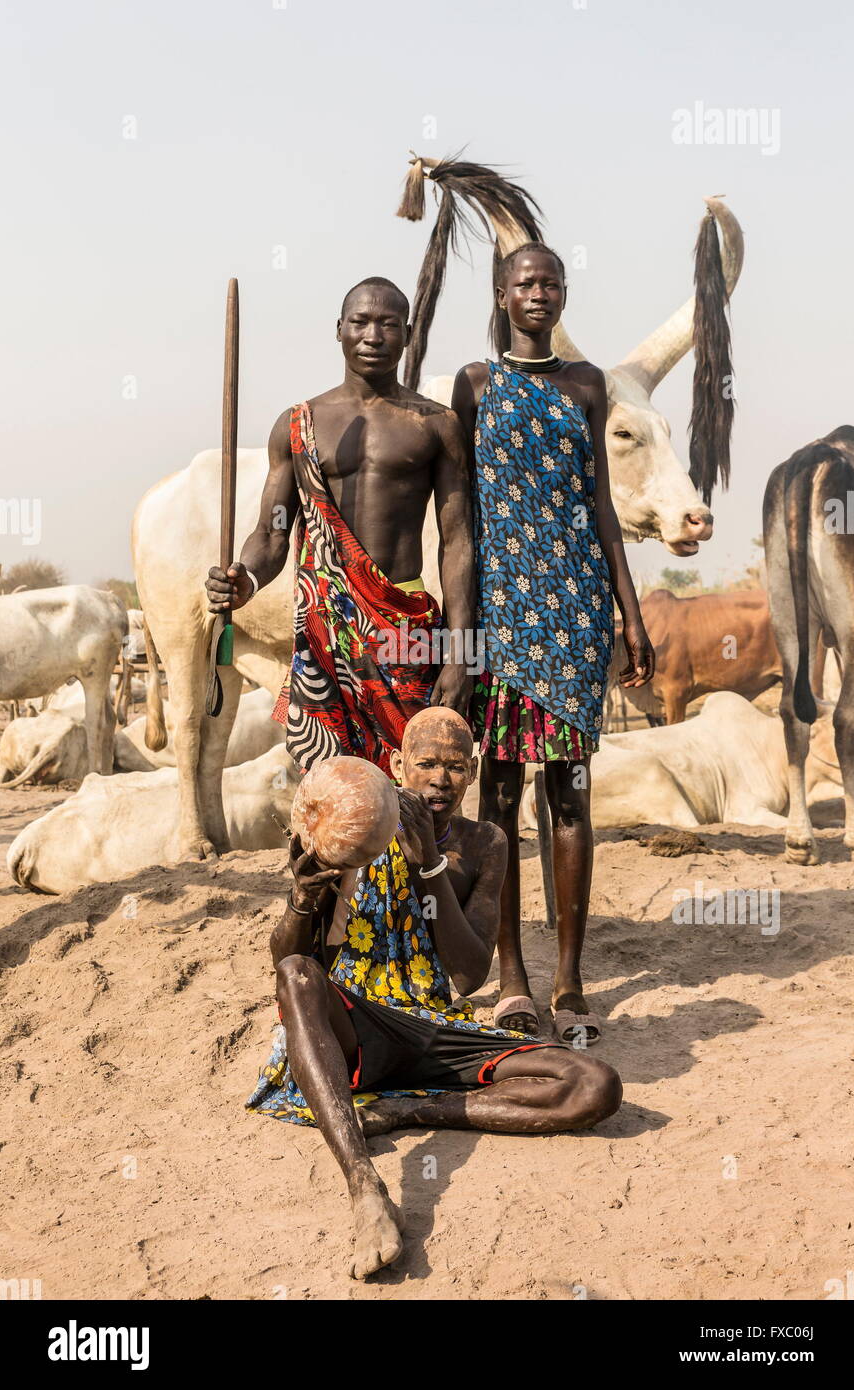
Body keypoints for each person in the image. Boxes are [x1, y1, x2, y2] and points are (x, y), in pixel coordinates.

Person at [247, 707, 622, 1280]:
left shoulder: (485, 843)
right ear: (396, 765)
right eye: (425, 764)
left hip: (438, 1027)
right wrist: (303, 897)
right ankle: (365, 1186)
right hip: (364, 1025)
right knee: (299, 973)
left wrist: (430, 870)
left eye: (454, 767)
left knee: (595, 1084)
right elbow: (291, 963)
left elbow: (468, 975)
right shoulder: (353, 825)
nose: (438, 780)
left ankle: (410, 1109)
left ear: (473, 773)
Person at [451, 243, 655, 1043]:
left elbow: (600, 505)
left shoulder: (587, 385)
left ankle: (569, 976)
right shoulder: (474, 385)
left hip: (573, 613)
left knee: (568, 790)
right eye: (525, 282)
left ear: (562, 296)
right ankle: (511, 976)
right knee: (497, 796)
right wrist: (460, 624)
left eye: (552, 283)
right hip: (502, 617)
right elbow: (460, 513)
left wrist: (629, 616)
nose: (539, 293)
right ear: (501, 295)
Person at [205, 277, 474, 773]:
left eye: (388, 324)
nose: (374, 335)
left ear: (408, 334)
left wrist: (460, 652)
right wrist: (245, 576)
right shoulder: (299, 423)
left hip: (403, 624)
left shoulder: (437, 424)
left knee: (412, 776)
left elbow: (457, 542)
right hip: (325, 626)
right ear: (339, 330)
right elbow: (272, 532)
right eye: (361, 322)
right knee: (331, 784)